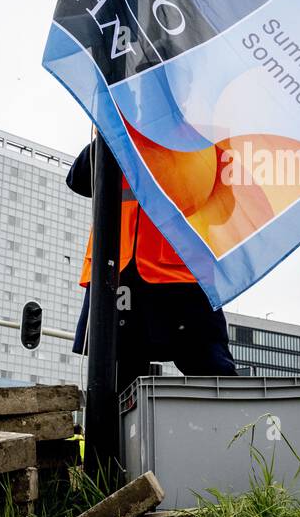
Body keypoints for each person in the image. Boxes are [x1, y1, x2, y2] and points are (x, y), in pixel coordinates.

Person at [66, 143, 238, 396]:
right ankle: (116, 436)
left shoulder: (205, 141)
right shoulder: (118, 133)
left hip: (181, 271)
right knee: (116, 382)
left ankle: (233, 429)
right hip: (119, 268)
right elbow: (78, 179)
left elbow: (224, 208)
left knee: (212, 370)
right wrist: (107, 127)